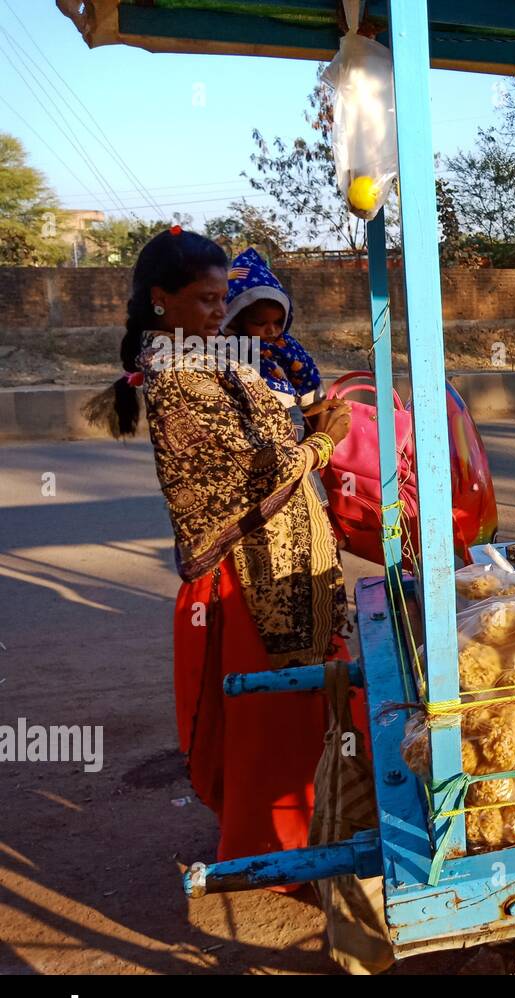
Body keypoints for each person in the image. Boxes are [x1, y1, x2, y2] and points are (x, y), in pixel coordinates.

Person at [89, 228, 358, 868]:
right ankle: (278, 852)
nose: (219, 312)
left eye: (220, 300)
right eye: (208, 300)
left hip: (284, 562)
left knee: (306, 709)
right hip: (247, 581)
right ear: (162, 300)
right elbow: (249, 474)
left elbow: (267, 437)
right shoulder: (176, 376)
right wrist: (323, 444)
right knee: (276, 722)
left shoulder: (210, 357)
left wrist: (309, 429)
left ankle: (317, 835)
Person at [222, 247, 322, 408]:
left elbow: (307, 373)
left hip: (290, 408)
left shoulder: (288, 345)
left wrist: (311, 401)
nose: (271, 330)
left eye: (278, 322)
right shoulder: (226, 348)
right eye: (260, 323)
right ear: (236, 318)